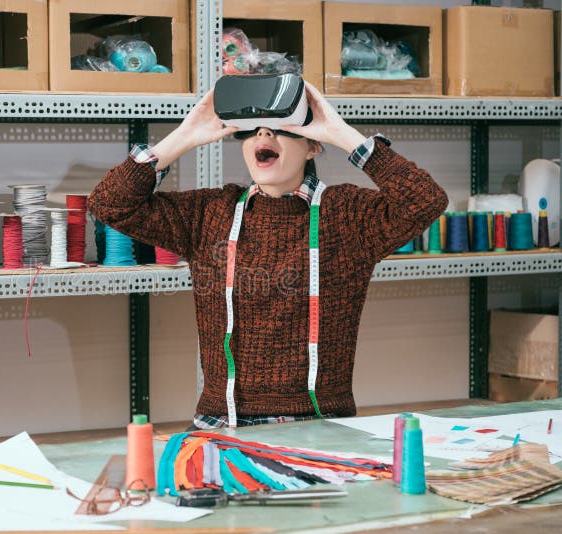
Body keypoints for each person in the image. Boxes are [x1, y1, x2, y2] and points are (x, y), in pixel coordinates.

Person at [88, 81, 448, 429]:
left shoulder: (348, 216)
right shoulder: (211, 214)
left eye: (280, 128)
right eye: (253, 129)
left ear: (312, 146)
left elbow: (425, 200)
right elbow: (109, 203)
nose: (263, 136)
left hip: (320, 424)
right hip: (220, 423)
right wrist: (185, 135)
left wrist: (341, 133)